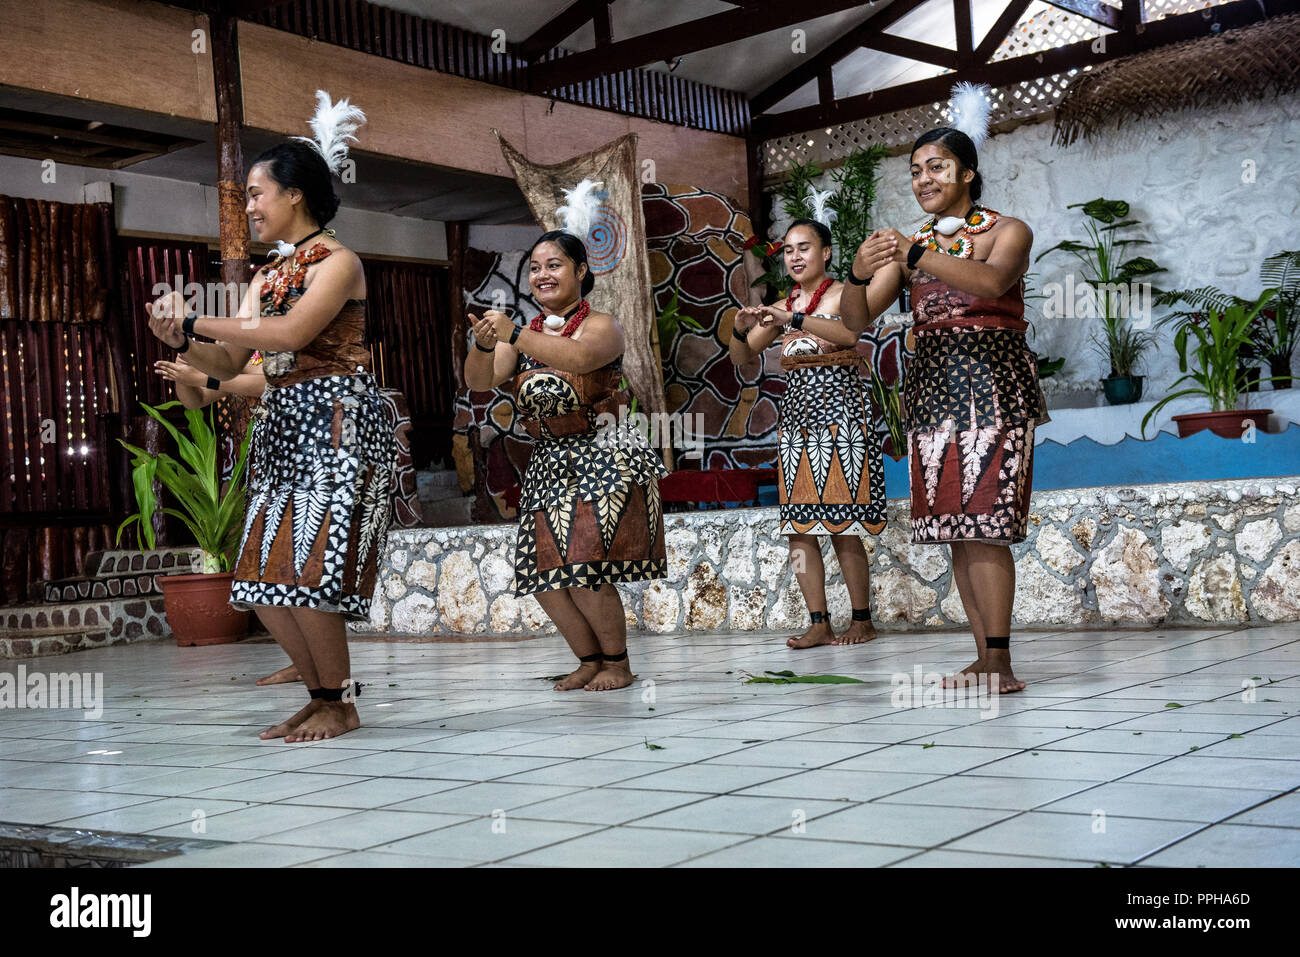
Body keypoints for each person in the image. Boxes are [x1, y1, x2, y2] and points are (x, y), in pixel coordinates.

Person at [146, 91, 395, 737]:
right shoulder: (267, 277)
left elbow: (287, 336)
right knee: (261, 577)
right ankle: (319, 694)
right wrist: (182, 340)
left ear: (295, 195)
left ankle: (341, 701)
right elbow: (231, 364)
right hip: (283, 425)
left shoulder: (340, 264)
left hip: (336, 423)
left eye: (257, 193)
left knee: (308, 570)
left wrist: (194, 314)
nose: (249, 206)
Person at [840, 118, 1047, 694]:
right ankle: (983, 656)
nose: (923, 178)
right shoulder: (913, 248)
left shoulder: (1008, 230)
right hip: (932, 390)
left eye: (935, 166)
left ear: (967, 173)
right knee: (956, 528)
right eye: (914, 170)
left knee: (986, 525)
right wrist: (856, 275)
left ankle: (1002, 662)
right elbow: (856, 321)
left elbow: (989, 282)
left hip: (991, 383)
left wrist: (915, 252)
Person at [466, 230, 666, 692]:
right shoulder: (524, 336)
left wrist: (513, 333)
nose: (542, 275)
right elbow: (481, 380)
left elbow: (577, 358)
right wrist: (482, 343)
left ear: (580, 271)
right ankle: (590, 659)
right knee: (545, 575)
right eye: (535, 268)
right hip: (549, 461)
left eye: (554, 265)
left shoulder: (602, 325)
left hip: (603, 455)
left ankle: (618, 662)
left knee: (583, 566)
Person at [729, 219, 886, 648]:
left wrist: (793, 316)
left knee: (842, 524)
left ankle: (861, 619)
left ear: (828, 253)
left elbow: (849, 333)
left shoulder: (842, 295)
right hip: (797, 425)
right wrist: (741, 328)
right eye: (789, 251)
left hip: (843, 423)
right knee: (800, 527)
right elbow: (744, 356)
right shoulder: (783, 305)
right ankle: (818, 621)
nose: (795, 257)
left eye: (805, 248)